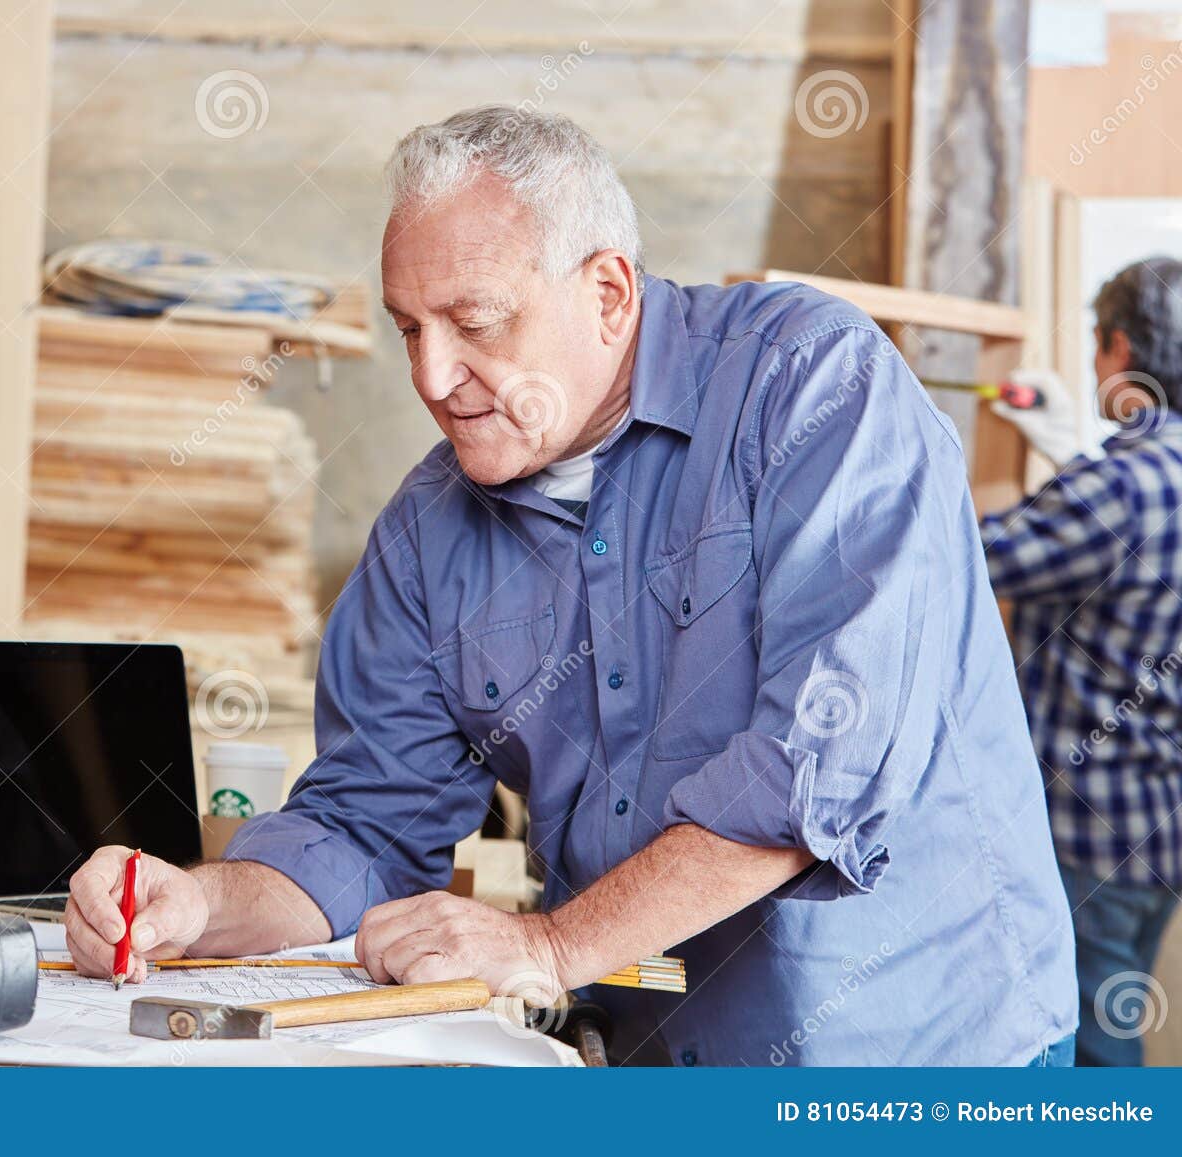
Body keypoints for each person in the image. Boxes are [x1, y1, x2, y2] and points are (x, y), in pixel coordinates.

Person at [66, 106, 1077, 1065]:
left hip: (920, 1051)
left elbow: (817, 767)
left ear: (607, 293)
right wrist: (201, 903)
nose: (431, 376)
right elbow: (364, 826)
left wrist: (548, 945)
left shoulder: (810, 384)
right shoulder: (426, 534)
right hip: (653, 1054)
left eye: (474, 322)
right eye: (409, 328)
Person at [982, 257, 1182, 1066]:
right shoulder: (1139, 482)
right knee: (1111, 1018)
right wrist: (1070, 455)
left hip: (1084, 840)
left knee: (1091, 1048)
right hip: (1156, 826)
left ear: (1119, 347)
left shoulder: (1120, 486)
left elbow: (970, 559)